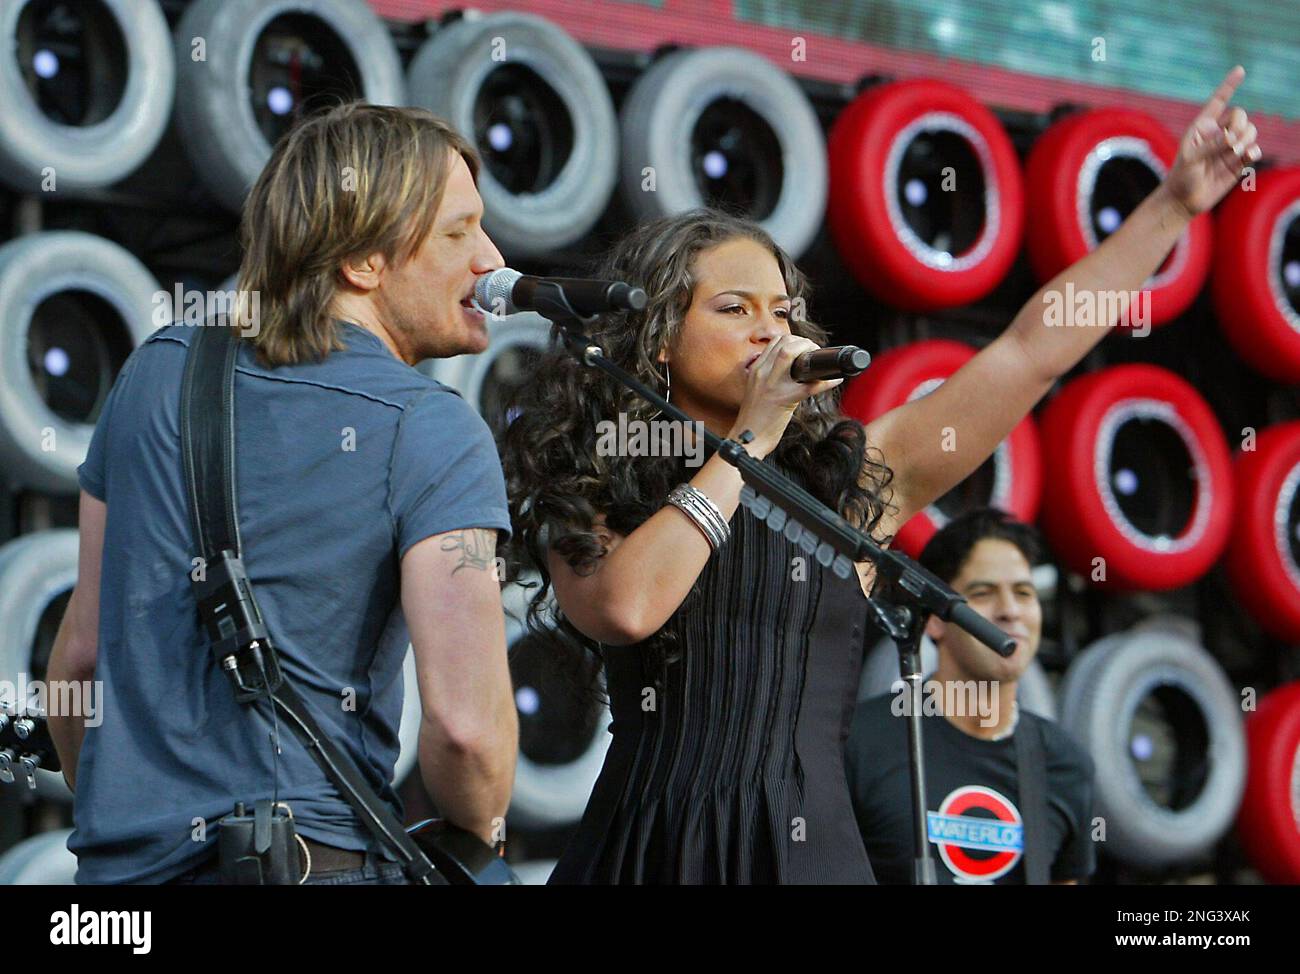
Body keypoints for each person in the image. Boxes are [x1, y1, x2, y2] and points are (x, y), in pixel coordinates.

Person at [501, 68, 1259, 884]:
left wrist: (1171, 208)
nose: (769, 331)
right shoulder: (598, 474)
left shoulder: (851, 484)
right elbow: (624, 606)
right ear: (657, 341)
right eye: (735, 309)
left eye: (783, 313)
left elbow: (1029, 352)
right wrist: (751, 436)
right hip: (646, 845)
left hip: (805, 849)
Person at [45, 103, 518, 884]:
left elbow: (81, 659)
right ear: (365, 259)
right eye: (460, 231)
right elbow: (467, 730)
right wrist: (478, 841)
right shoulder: (434, 429)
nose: (492, 258)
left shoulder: (156, 374)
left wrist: (133, 827)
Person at [845, 509, 1094, 884]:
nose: (1010, 611)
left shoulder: (1063, 763)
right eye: (983, 593)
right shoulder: (859, 743)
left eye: (1024, 593)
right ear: (935, 619)